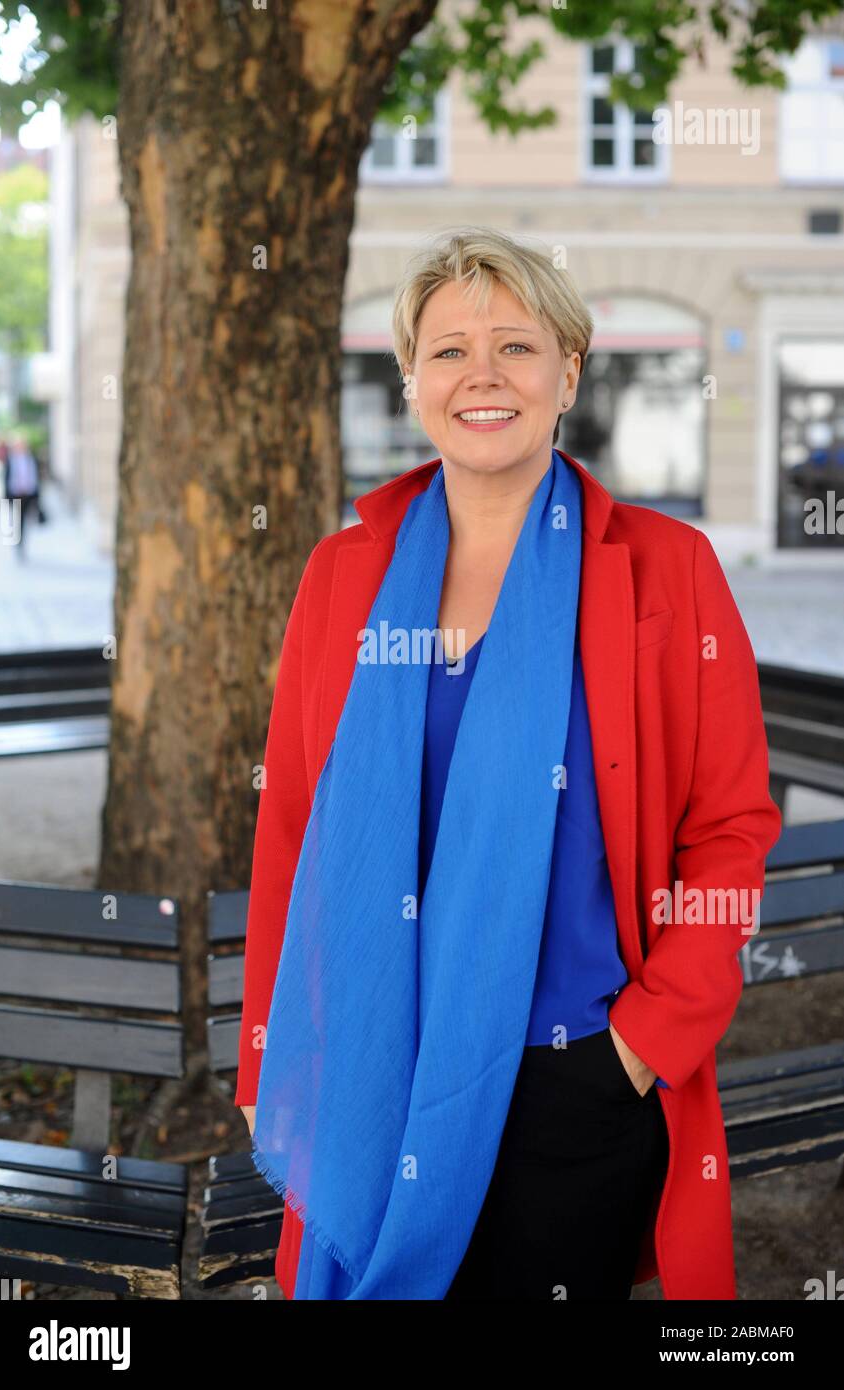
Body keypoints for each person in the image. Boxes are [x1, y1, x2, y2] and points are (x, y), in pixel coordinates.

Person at [235, 226, 782, 1300]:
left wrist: (642, 1043)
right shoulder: (345, 575)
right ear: (409, 382)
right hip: (370, 1067)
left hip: (574, 1079)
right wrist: (267, 1056)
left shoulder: (666, 570)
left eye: (515, 346)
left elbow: (729, 830)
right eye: (447, 350)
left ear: (568, 370)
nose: (480, 375)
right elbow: (292, 831)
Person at [2, 430, 42, 558]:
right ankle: (18, 541)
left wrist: (36, 496)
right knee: (18, 519)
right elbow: (6, 478)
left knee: (24, 519)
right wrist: (6, 496)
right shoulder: (10, 459)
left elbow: (36, 477)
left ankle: (21, 541)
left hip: (28, 494)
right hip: (15, 494)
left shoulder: (31, 459)